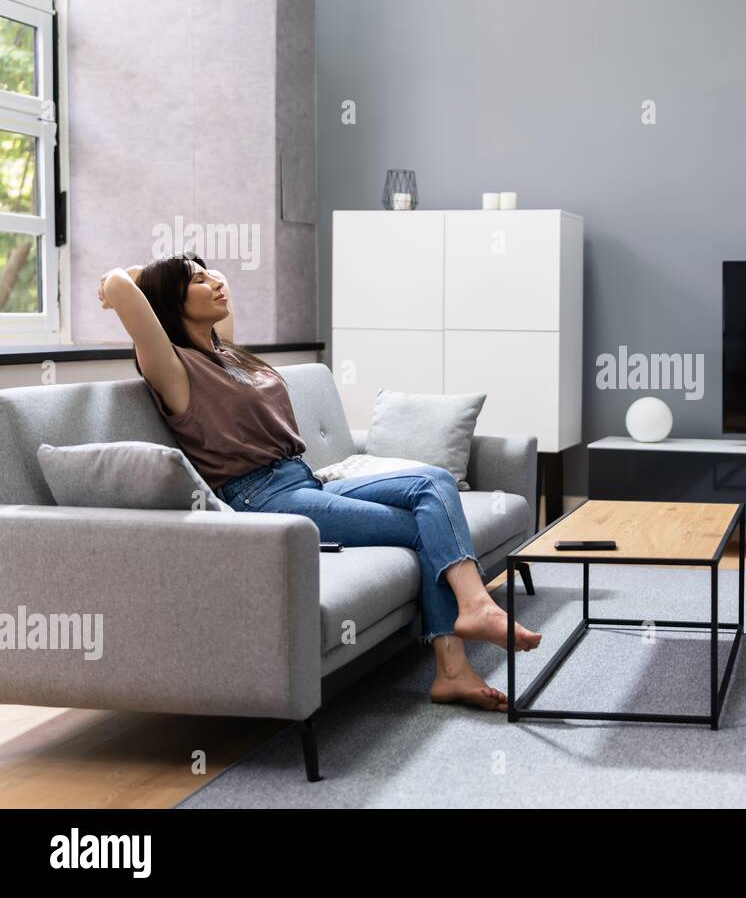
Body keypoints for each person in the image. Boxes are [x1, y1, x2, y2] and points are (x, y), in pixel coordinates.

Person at [97, 253, 540, 712]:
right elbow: (121, 290)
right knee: (427, 526)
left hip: (305, 482)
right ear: (169, 301)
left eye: (210, 274)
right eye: (197, 280)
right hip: (262, 500)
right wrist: (126, 279)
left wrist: (181, 273)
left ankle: (470, 621)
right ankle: (456, 660)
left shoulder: (223, 351)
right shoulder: (171, 369)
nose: (216, 283)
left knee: (433, 483)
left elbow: (206, 284)